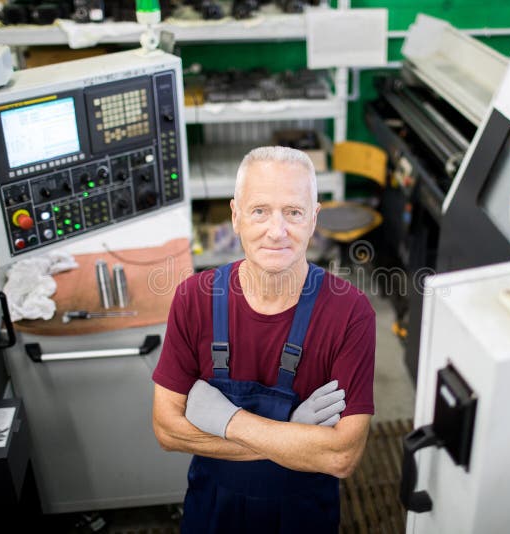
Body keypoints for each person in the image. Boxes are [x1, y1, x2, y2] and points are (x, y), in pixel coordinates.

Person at [151, 146, 376, 533]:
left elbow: (341, 456)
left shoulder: (351, 314)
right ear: (235, 216)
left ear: (314, 219)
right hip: (212, 509)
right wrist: (295, 435)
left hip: (303, 515)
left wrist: (225, 419)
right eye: (260, 211)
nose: (277, 231)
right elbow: (168, 430)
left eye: (293, 212)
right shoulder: (194, 299)